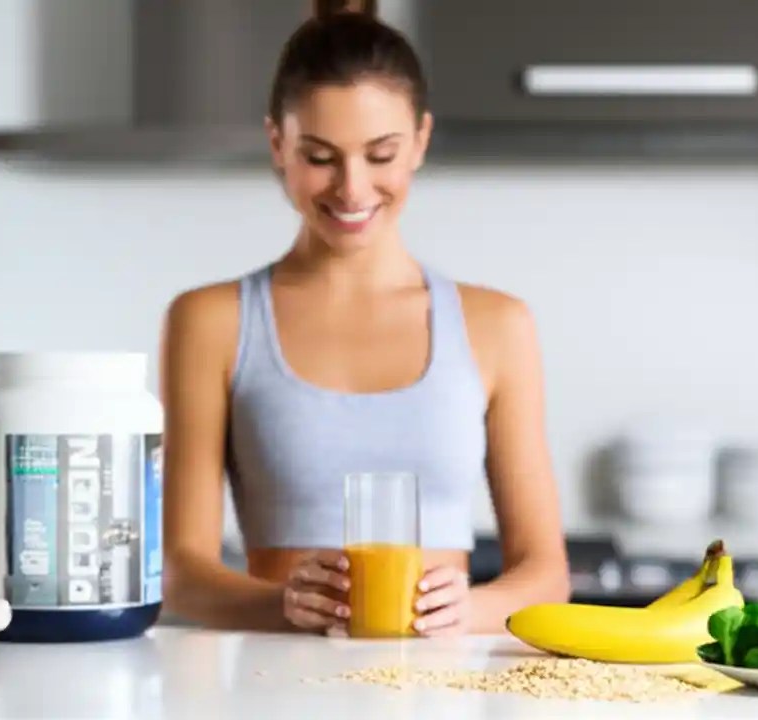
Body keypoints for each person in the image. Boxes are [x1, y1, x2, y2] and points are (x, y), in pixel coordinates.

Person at [159, 0, 570, 637]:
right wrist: (284, 605)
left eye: (380, 154)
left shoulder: (497, 324)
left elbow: (545, 573)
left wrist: (475, 608)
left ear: (421, 142)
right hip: (276, 679)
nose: (352, 189)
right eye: (321, 156)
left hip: (444, 686)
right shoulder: (211, 321)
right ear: (278, 144)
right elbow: (182, 571)